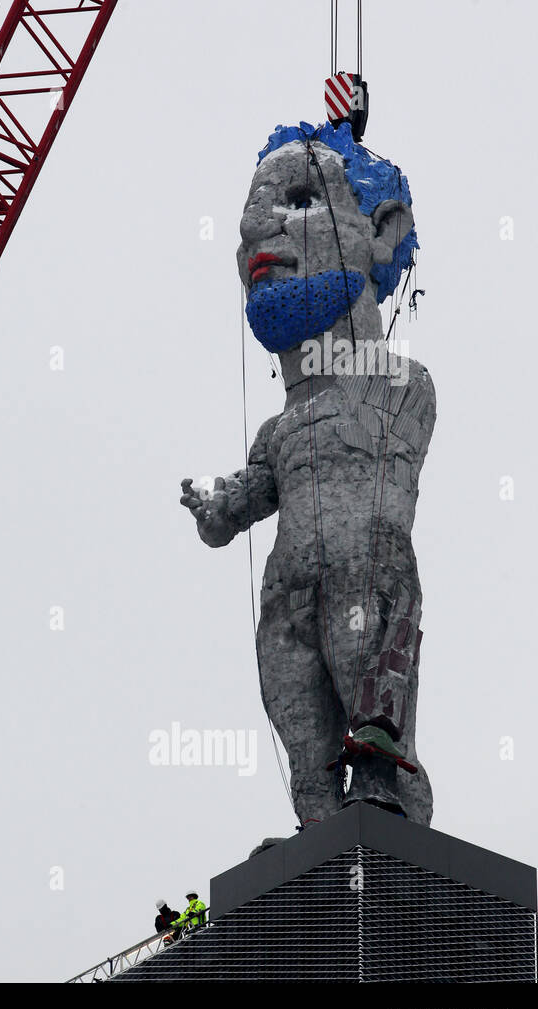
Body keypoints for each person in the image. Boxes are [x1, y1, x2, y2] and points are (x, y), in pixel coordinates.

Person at [180, 120, 432, 828]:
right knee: (302, 729)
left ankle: (390, 801)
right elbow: (237, 510)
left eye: (296, 200)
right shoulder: (278, 431)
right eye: (248, 226)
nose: (258, 238)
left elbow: (395, 478)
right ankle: (318, 835)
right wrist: (215, 508)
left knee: (365, 692)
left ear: (381, 230)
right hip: (287, 591)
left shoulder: (402, 381)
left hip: (367, 572)